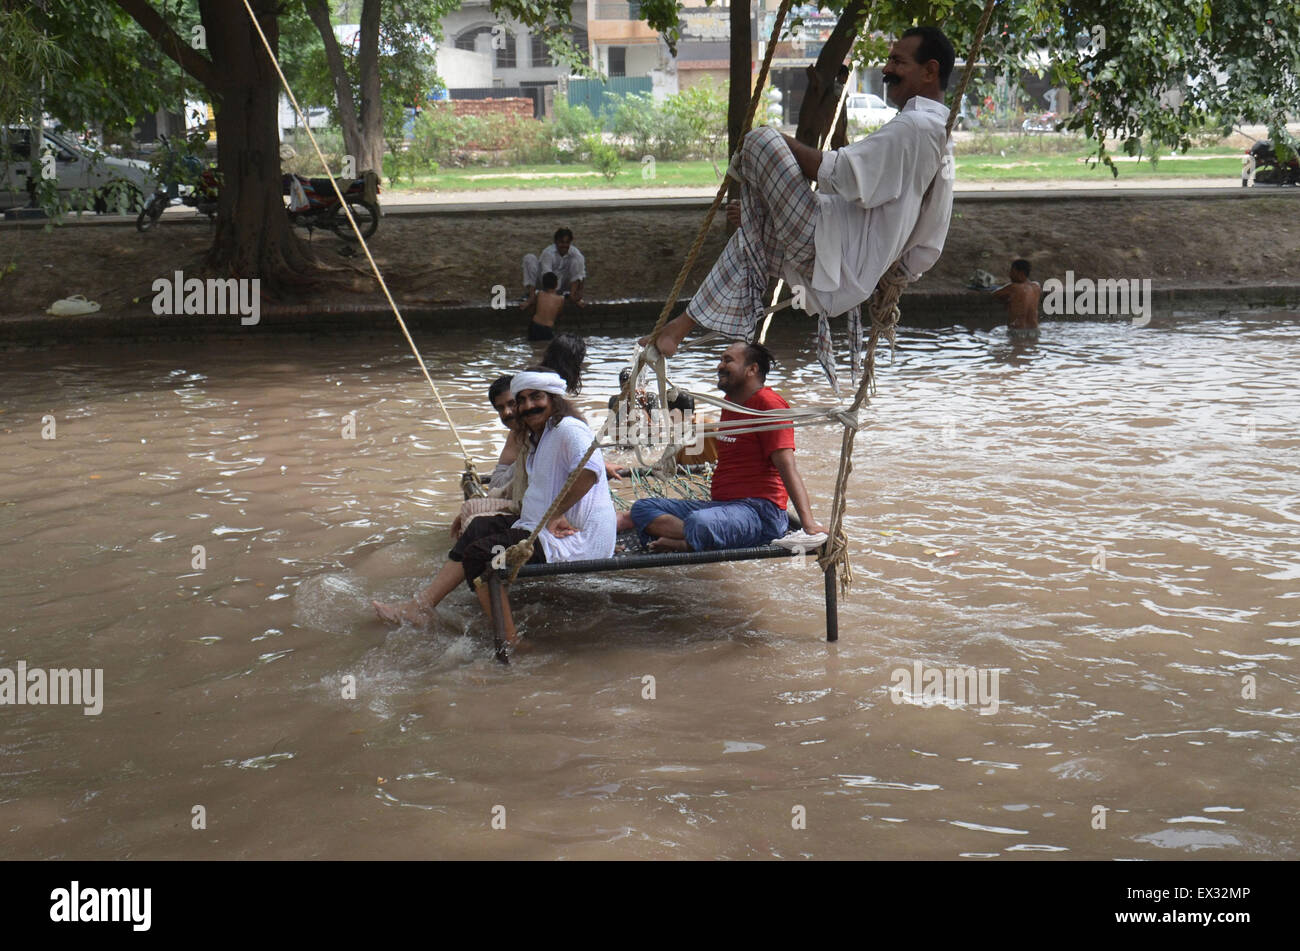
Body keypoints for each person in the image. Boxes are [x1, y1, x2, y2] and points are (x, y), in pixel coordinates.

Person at [644, 27, 957, 358]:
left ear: (930, 71)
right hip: (846, 274)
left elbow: (838, 174)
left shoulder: (915, 127)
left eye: (897, 61)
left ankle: (757, 213)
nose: (886, 70)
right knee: (749, 238)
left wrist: (780, 139)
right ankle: (676, 331)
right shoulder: (942, 136)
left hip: (831, 253)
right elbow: (931, 235)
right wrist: (895, 273)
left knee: (760, 141)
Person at [373, 369, 616, 645]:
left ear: (554, 399)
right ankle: (422, 606)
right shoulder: (541, 435)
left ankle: (510, 641)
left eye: (535, 398)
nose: (527, 406)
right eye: (521, 400)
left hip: (574, 537)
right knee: (478, 527)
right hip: (538, 525)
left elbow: (589, 471)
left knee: (479, 555)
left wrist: (557, 513)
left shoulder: (567, 428)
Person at [627, 341, 827, 552]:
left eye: (728, 360)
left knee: (701, 521)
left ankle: (687, 541)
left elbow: (788, 467)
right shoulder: (730, 403)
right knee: (642, 508)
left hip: (759, 513)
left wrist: (808, 523)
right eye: (721, 359)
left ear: (752, 369)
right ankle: (694, 539)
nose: (720, 366)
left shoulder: (769, 405)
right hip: (722, 508)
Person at [522, 228, 586, 315]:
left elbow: (581, 275)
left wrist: (579, 293)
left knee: (576, 261)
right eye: (561, 242)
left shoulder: (576, 254)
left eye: (567, 242)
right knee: (529, 258)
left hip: (564, 284)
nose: (564, 245)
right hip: (545, 284)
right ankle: (532, 296)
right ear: (556, 242)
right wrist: (551, 299)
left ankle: (572, 295)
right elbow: (547, 276)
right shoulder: (548, 253)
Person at [991, 259, 1042, 337]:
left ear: (1020, 273)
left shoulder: (1013, 287)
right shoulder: (1037, 286)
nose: (1010, 275)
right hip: (1035, 331)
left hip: (1017, 331)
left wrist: (1005, 301)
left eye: (1012, 272)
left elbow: (994, 294)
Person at [527, 272, 565, 341]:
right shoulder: (560, 299)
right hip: (547, 329)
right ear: (556, 284)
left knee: (534, 347)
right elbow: (559, 313)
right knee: (545, 348)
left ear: (543, 285)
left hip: (534, 325)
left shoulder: (539, 294)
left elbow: (533, 309)